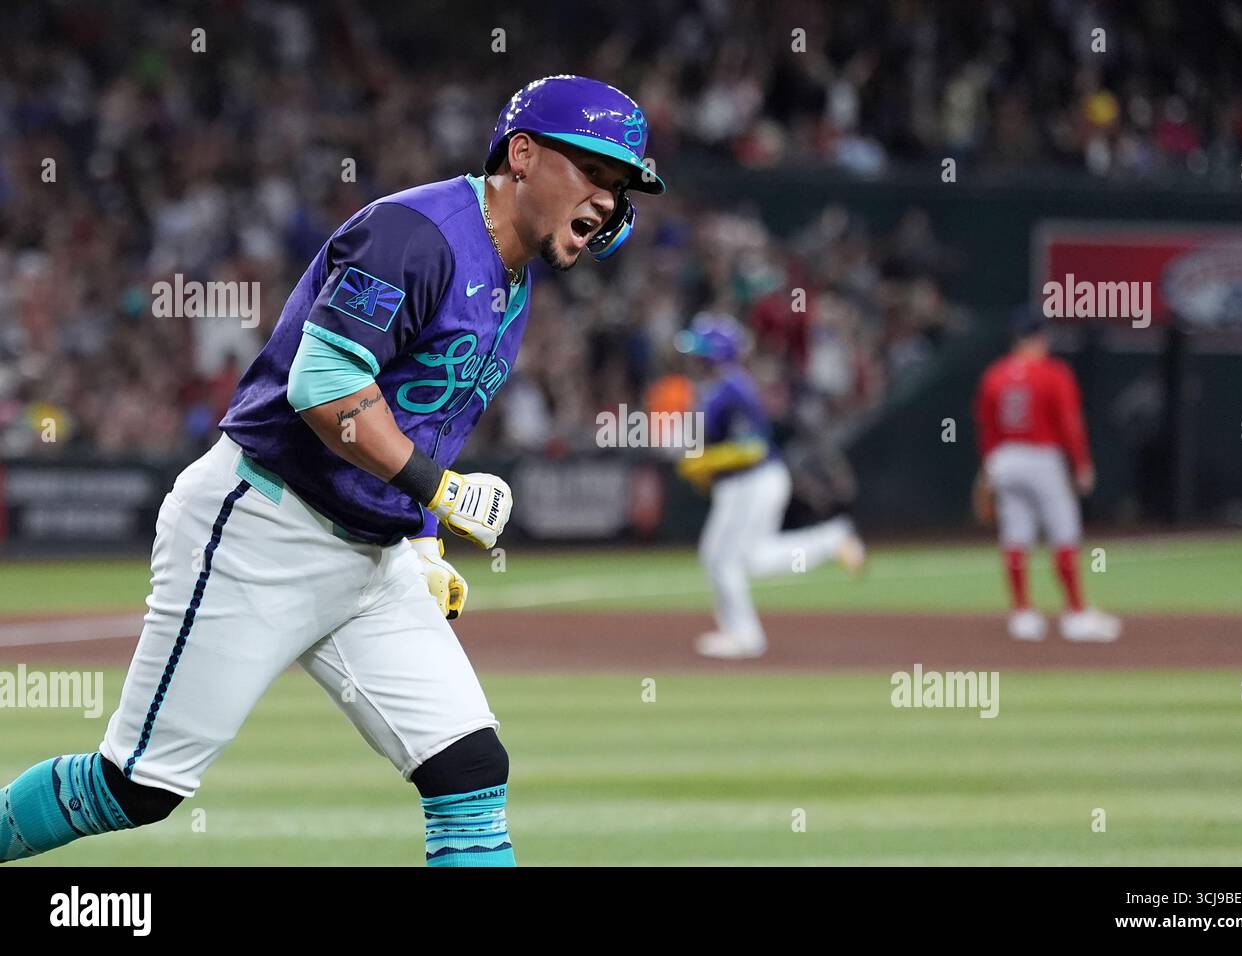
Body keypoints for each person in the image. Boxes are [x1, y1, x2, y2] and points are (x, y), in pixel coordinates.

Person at [0, 76, 665, 866]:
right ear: (521, 156)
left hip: (370, 554)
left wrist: (421, 538)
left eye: (619, 187)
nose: (606, 200)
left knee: (470, 770)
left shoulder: (515, 276)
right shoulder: (413, 234)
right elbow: (324, 388)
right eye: (594, 172)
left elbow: (426, 416)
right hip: (264, 526)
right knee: (136, 788)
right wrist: (439, 494)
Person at [675, 313, 866, 660]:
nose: (693, 358)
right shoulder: (720, 387)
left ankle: (745, 635)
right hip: (744, 485)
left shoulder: (732, 388)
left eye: (699, 351)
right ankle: (832, 538)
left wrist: (706, 462)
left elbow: (752, 448)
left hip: (754, 482)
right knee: (745, 557)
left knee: (724, 559)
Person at [972, 308, 1120, 642]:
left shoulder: (994, 375)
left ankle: (1023, 615)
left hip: (1004, 458)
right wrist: (1081, 463)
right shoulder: (1053, 373)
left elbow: (986, 427)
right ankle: (1076, 614)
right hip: (1041, 457)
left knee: (1016, 533)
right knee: (1064, 531)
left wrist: (987, 467)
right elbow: (1070, 423)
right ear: (1039, 338)